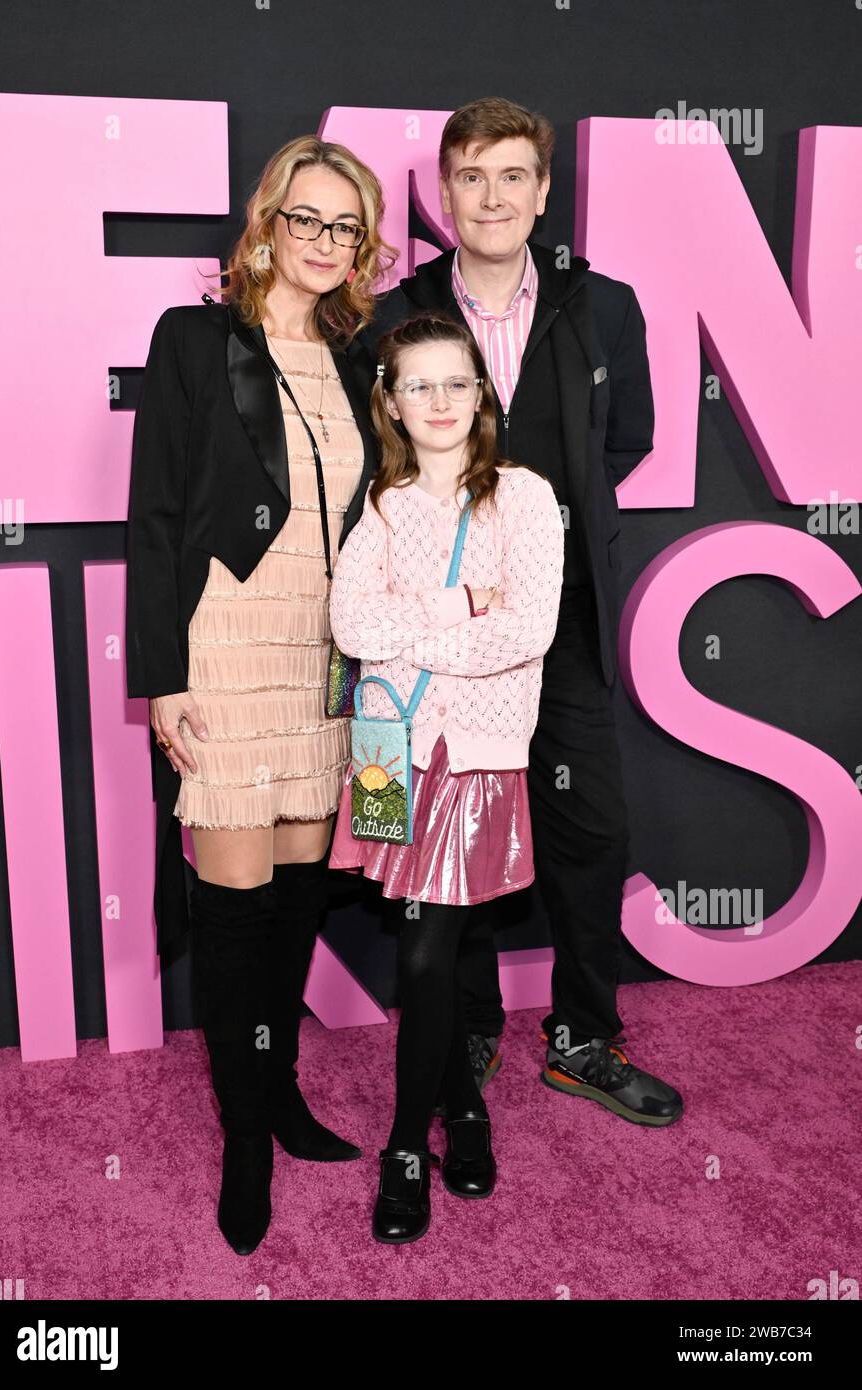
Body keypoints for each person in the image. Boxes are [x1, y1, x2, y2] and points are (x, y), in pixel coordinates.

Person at [358, 97, 683, 1128]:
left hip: (567, 619)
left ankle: (582, 1035)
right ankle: (468, 1021)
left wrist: (531, 537)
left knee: (589, 829)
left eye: (511, 177)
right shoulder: (395, 310)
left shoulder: (606, 308)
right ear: (441, 194)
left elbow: (621, 439)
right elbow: (381, 460)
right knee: (454, 829)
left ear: (543, 192)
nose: (490, 197)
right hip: (443, 632)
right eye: (468, 177)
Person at [125, 135, 398, 1255]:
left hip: (325, 657)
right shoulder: (195, 340)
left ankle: (277, 1085)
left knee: (295, 895)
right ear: (269, 222)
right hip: (227, 644)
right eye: (309, 219)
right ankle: (243, 1129)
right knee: (233, 906)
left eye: (348, 227)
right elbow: (150, 516)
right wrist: (160, 681)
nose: (327, 243)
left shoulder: (361, 352)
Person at [328, 312, 565, 1242]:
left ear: (481, 393)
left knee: (427, 948)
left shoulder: (524, 498)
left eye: (454, 382)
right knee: (433, 939)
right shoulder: (383, 507)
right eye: (416, 385)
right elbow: (352, 627)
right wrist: (462, 601)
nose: (437, 401)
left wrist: (413, 625)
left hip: (474, 751)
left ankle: (400, 1143)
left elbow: (528, 633)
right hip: (388, 752)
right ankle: (462, 1111)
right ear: (389, 401)